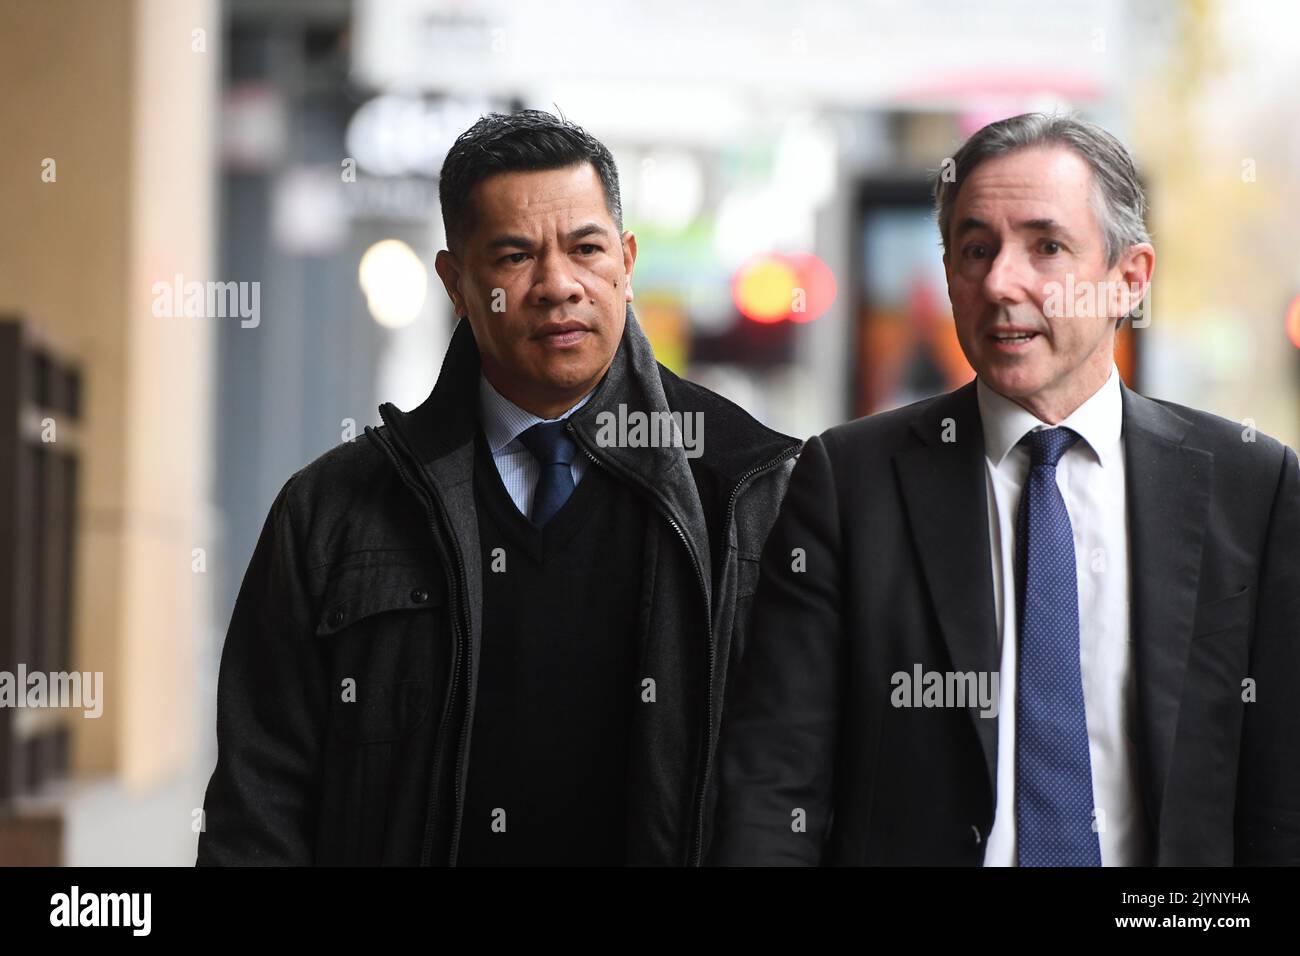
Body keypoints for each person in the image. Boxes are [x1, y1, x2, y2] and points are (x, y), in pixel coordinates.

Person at [197, 110, 800, 866]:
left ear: (627, 261)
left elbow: (804, 783)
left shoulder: (750, 490)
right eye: (515, 257)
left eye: (586, 249)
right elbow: (259, 811)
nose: (558, 286)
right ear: (456, 282)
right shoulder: (332, 512)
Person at [710, 112, 1300, 866]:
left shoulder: (1250, 485)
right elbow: (774, 782)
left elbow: (1282, 793)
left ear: (1129, 278)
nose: (999, 282)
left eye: (1046, 247)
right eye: (974, 249)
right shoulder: (847, 483)